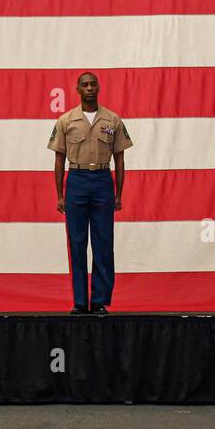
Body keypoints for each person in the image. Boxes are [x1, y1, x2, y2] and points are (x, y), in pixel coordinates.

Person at [48, 72, 131, 313]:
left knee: (103, 242)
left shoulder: (112, 120)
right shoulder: (66, 120)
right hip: (76, 180)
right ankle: (80, 301)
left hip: (103, 180)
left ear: (99, 88)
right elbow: (58, 159)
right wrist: (60, 194)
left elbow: (120, 159)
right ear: (77, 89)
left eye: (93, 84)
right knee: (77, 242)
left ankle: (99, 300)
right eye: (85, 85)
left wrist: (119, 193)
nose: (90, 88)